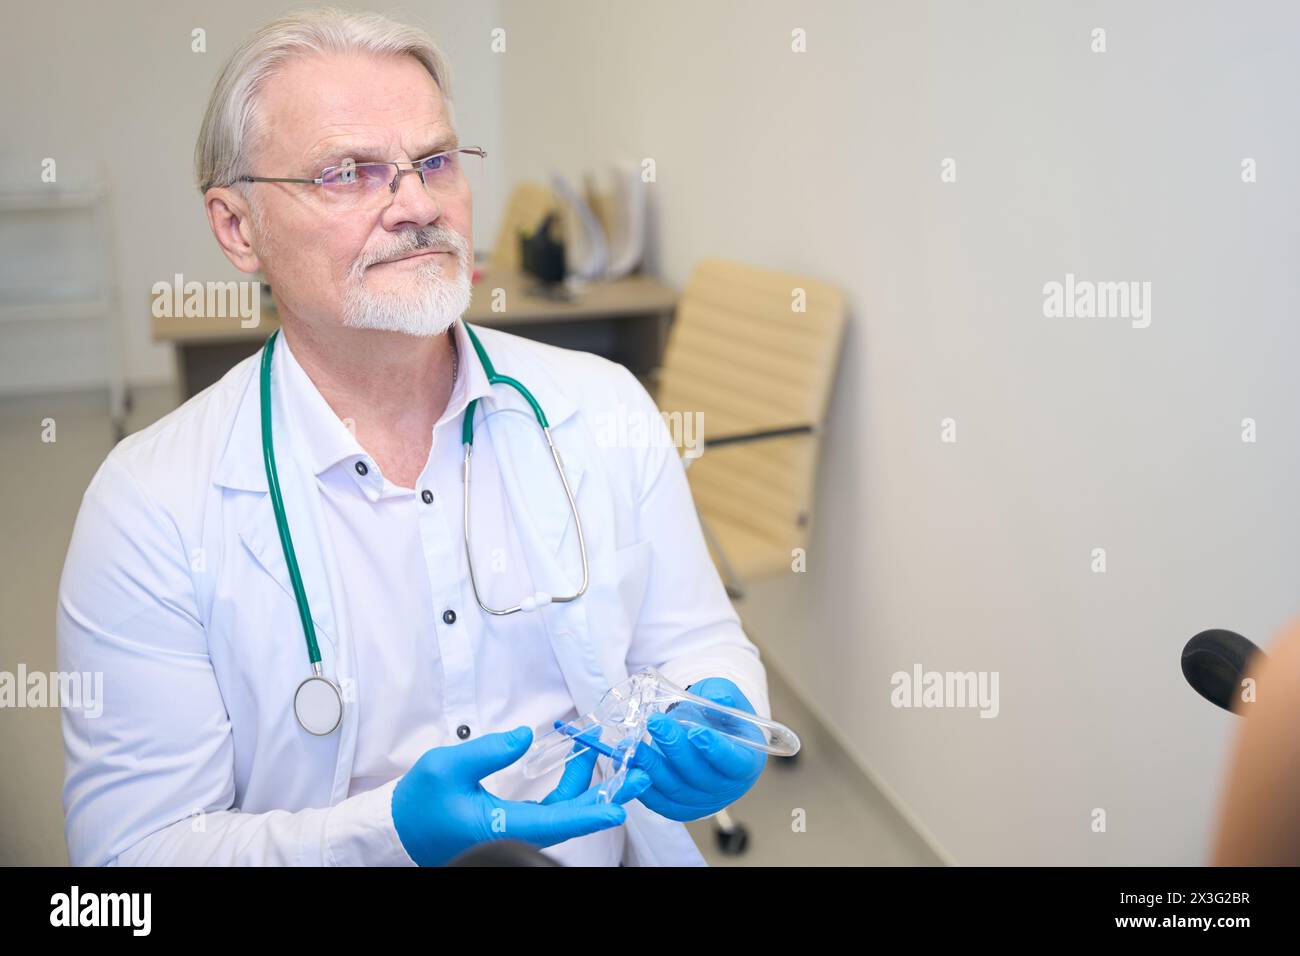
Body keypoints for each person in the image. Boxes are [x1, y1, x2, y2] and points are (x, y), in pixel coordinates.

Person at [57, 8, 770, 867]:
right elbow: (127, 866)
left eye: (433, 162)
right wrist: (386, 836)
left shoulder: (602, 407)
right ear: (239, 230)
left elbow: (693, 641)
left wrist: (720, 706)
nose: (418, 205)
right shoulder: (149, 508)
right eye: (349, 173)